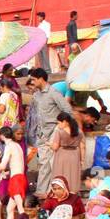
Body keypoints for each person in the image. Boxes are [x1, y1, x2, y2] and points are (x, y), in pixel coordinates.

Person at [27, 68, 73, 197]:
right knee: (43, 163)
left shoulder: (54, 93)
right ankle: (42, 191)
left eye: (34, 79)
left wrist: (63, 128)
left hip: (54, 131)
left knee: (53, 163)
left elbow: (67, 110)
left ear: (41, 79)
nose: (32, 82)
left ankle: (55, 191)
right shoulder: (36, 96)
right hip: (42, 133)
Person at [48, 112, 83, 196]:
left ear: (64, 121)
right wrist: (82, 160)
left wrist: (49, 144)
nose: (58, 125)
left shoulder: (60, 132)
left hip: (62, 155)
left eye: (59, 122)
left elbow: (55, 147)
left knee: (60, 175)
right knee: (72, 176)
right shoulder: (79, 132)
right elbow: (82, 146)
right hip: (74, 155)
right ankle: (72, 194)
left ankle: (60, 194)